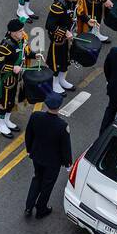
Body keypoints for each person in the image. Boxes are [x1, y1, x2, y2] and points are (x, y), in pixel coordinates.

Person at [23, 92, 72, 220]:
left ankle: (28, 207)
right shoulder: (62, 126)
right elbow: (65, 147)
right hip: (52, 162)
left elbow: (29, 134)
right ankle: (41, 209)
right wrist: (68, 164)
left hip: (37, 155)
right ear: (59, 106)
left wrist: (29, 149)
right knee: (47, 184)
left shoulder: (36, 116)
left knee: (37, 178)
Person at [0, 18, 35, 138]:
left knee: (12, 100)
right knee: (4, 102)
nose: (23, 32)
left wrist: (36, 55)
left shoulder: (20, 40)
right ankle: (0, 124)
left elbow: (24, 53)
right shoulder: (5, 46)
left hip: (17, 77)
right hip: (7, 79)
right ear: (13, 32)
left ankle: (6, 120)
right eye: (20, 30)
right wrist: (12, 68)